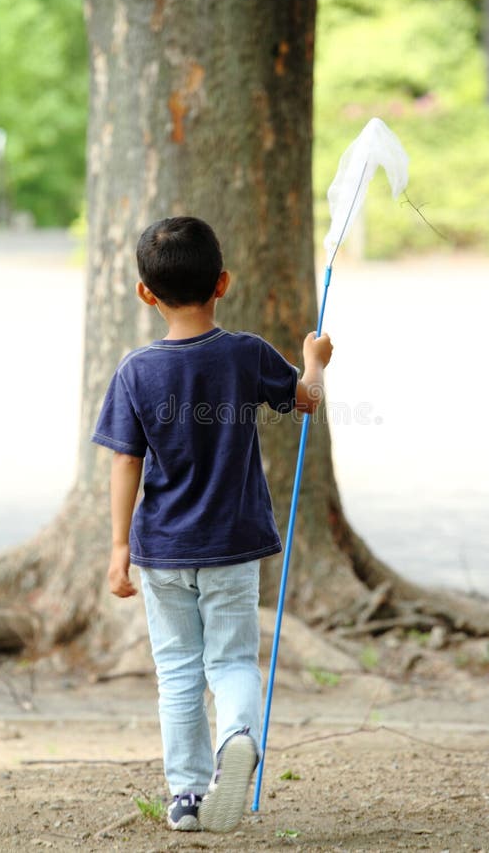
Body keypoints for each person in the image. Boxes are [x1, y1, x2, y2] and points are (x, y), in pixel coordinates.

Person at [91, 216, 332, 833]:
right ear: (221, 282)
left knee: (177, 672)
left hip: (163, 552)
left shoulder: (135, 372)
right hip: (233, 545)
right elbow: (305, 401)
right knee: (229, 662)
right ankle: (240, 737)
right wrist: (314, 360)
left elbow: (125, 461)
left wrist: (118, 547)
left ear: (146, 293)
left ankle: (188, 797)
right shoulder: (245, 354)